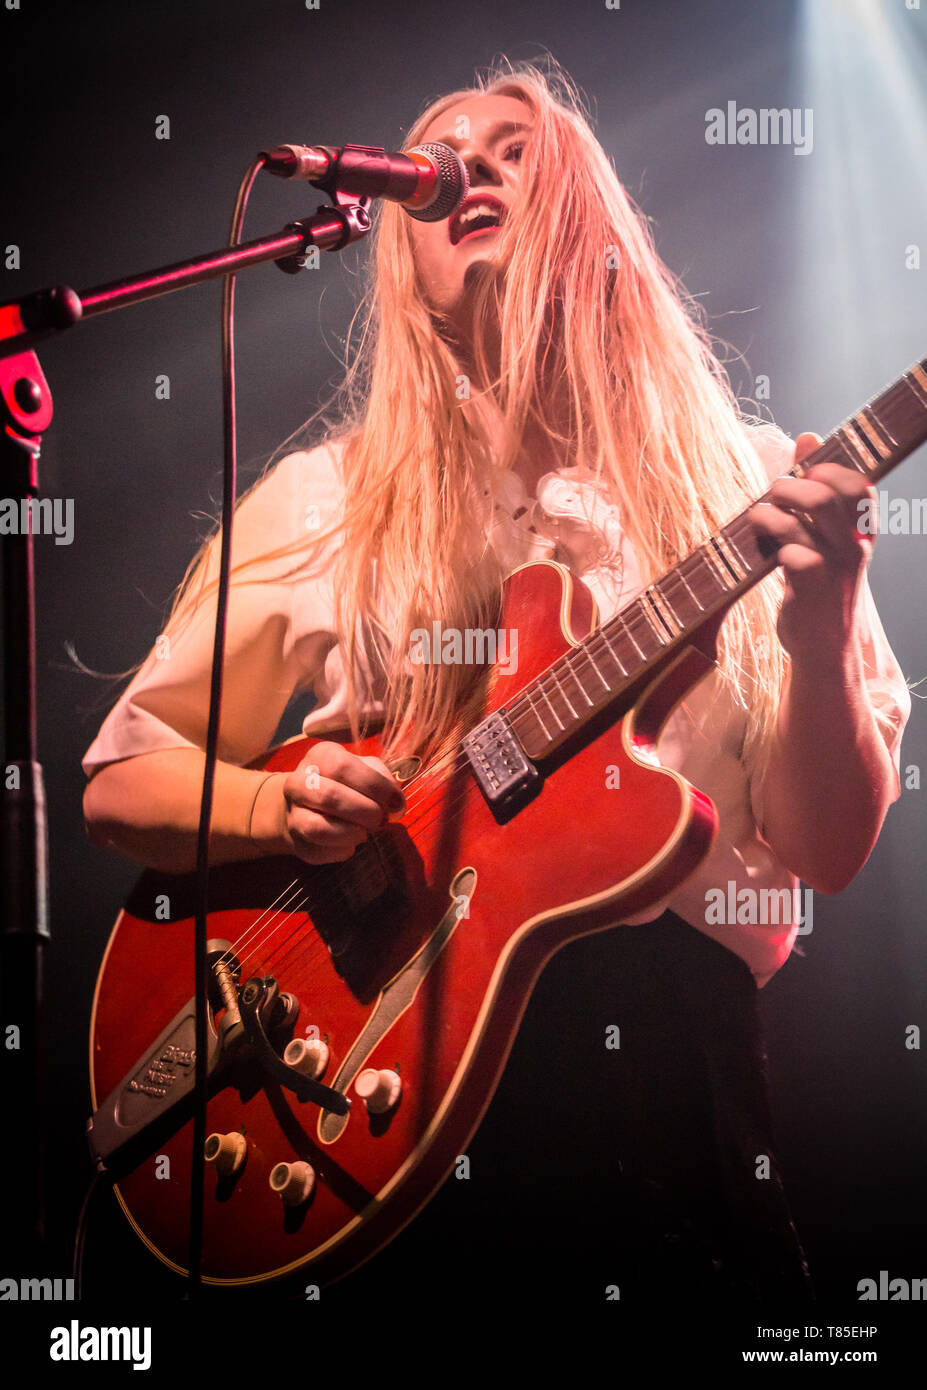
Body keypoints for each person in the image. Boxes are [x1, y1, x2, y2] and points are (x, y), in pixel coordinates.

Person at [82, 62, 910, 1303]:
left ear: (594, 220)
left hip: (669, 1089)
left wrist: (821, 614)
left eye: (516, 148)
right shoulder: (328, 504)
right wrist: (277, 810)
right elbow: (119, 776)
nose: (470, 165)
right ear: (400, 263)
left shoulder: (751, 480)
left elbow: (828, 848)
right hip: (365, 1048)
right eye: (441, 152)